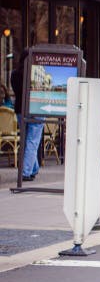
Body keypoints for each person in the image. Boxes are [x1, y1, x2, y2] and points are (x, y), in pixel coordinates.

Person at [10, 49, 44, 182]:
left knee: (26, 140)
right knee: (32, 141)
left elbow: (17, 92)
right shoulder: (36, 74)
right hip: (36, 108)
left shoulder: (14, 74)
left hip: (20, 110)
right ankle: (26, 171)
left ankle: (33, 168)